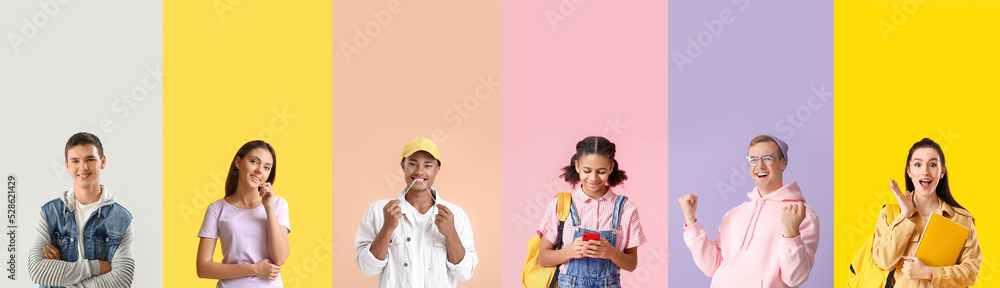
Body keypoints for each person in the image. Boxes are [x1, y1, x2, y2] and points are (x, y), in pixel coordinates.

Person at [678, 135, 819, 287]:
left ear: (782, 163)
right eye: (753, 159)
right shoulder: (733, 215)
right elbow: (711, 266)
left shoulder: (802, 214)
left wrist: (791, 235)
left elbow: (795, 278)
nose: (760, 166)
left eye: (767, 158)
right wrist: (691, 221)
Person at [355, 137, 478, 287]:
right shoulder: (379, 210)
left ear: (437, 169)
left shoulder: (455, 215)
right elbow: (367, 268)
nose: (419, 171)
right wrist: (387, 228)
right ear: (403, 166)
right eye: (413, 164)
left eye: (428, 165)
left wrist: (450, 233)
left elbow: (464, 273)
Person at [27, 132, 135, 287]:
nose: (83, 167)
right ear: (67, 166)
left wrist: (59, 275)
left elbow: (121, 281)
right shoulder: (49, 213)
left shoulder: (121, 219)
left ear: (102, 161)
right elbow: (37, 271)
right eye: (75, 161)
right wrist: (98, 267)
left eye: (90, 159)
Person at [536, 136, 646, 288]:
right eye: (587, 171)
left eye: (601, 171)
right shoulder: (560, 205)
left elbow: (632, 264)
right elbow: (543, 257)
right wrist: (571, 251)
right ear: (577, 165)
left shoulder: (627, 209)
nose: (593, 178)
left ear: (611, 167)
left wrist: (612, 253)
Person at [873, 138, 981, 287]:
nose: (925, 171)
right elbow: (884, 263)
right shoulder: (889, 214)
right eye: (918, 164)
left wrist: (929, 273)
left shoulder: (962, 219)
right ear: (909, 171)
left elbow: (971, 272)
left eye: (932, 165)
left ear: (942, 171)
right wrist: (904, 216)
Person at [196, 140, 290, 287]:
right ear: (238, 163)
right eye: (254, 161)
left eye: (266, 167)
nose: (260, 170)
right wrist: (254, 269)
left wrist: (269, 208)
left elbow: (280, 258)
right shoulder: (217, 209)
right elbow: (203, 268)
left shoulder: (278, 205)